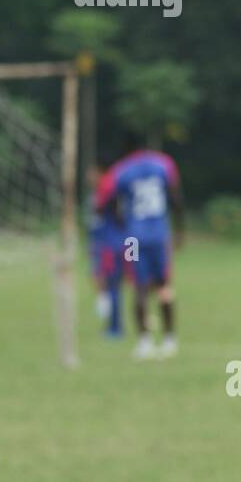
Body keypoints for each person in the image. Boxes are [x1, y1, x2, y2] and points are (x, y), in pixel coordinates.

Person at [97, 138, 184, 360]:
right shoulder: (163, 164)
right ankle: (169, 339)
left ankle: (144, 341)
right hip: (159, 236)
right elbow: (175, 198)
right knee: (164, 286)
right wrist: (180, 230)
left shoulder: (121, 171)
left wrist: (122, 225)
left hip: (133, 239)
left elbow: (107, 203)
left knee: (138, 287)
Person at [86, 162, 126, 338]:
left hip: (110, 246)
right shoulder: (96, 194)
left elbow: (118, 218)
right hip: (101, 245)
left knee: (112, 285)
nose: (89, 177)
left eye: (92, 172)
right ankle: (111, 323)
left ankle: (115, 328)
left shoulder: (110, 193)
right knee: (101, 281)